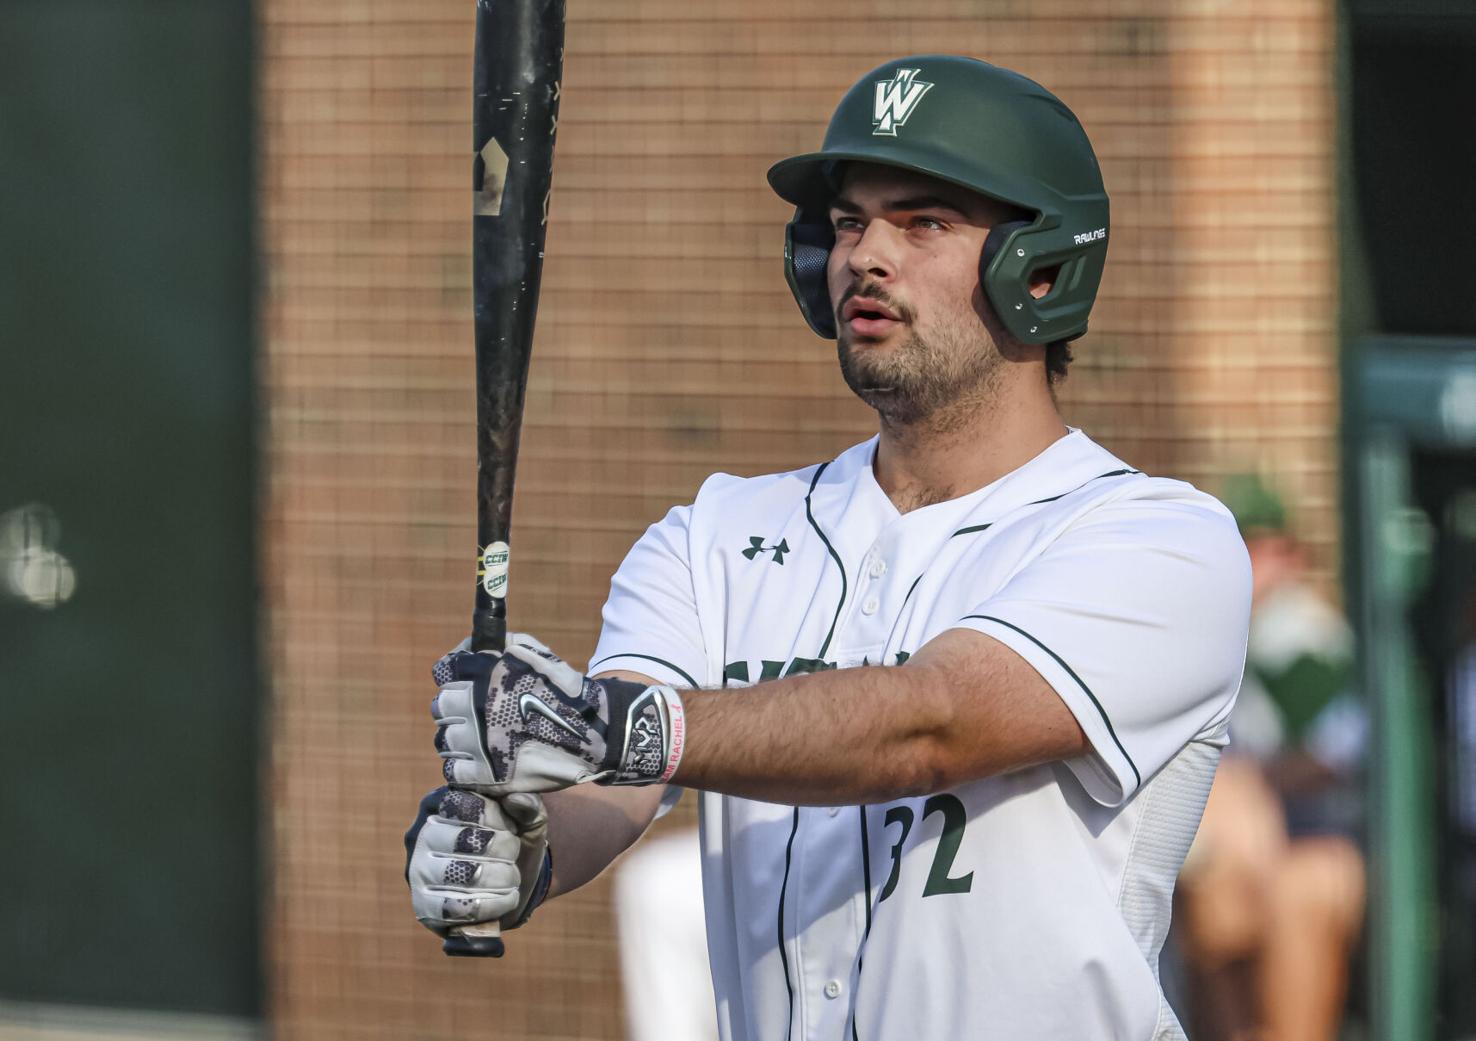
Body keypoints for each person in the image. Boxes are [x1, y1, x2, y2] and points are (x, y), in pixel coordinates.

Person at [404, 55, 1252, 1040]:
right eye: (848, 222)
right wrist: (523, 851)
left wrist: (607, 725)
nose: (865, 256)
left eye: (923, 220)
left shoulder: (1156, 540)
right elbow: (614, 780)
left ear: (1044, 263)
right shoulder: (713, 534)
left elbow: (932, 725)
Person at [1175, 476, 1366, 1041]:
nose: (1249, 563)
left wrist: (1246, 785)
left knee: (1296, 892)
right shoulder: (1225, 632)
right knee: (1211, 890)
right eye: (1237, 546)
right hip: (1250, 847)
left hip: (1327, 842)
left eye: (1260, 547)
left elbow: (1327, 759)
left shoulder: (1306, 637)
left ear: (1290, 555)